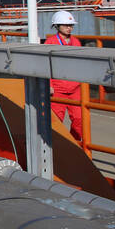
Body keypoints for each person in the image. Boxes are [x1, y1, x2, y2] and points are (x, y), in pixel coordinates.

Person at [43, 10, 84, 141]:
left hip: (74, 87)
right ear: (57, 26)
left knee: (80, 120)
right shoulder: (50, 43)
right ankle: (58, 146)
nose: (69, 28)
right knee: (56, 121)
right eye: (66, 25)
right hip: (57, 89)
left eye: (71, 25)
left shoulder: (76, 42)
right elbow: (45, 66)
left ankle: (73, 144)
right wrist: (49, 85)